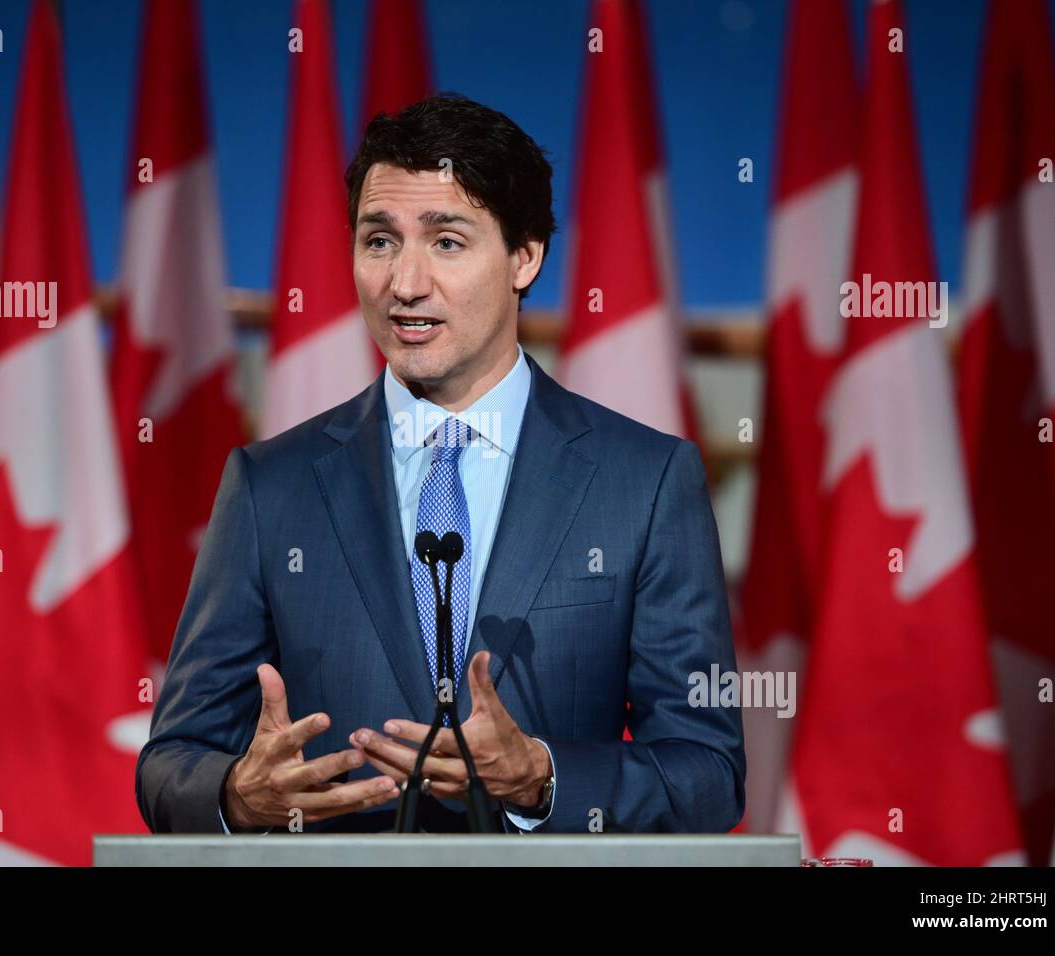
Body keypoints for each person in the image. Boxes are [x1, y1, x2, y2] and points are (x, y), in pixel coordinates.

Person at [136, 93, 745, 833]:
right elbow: (170, 765)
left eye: (447, 242)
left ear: (525, 256)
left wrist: (543, 779)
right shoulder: (272, 486)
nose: (405, 283)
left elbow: (708, 775)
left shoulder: (645, 484)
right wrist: (236, 793)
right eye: (379, 240)